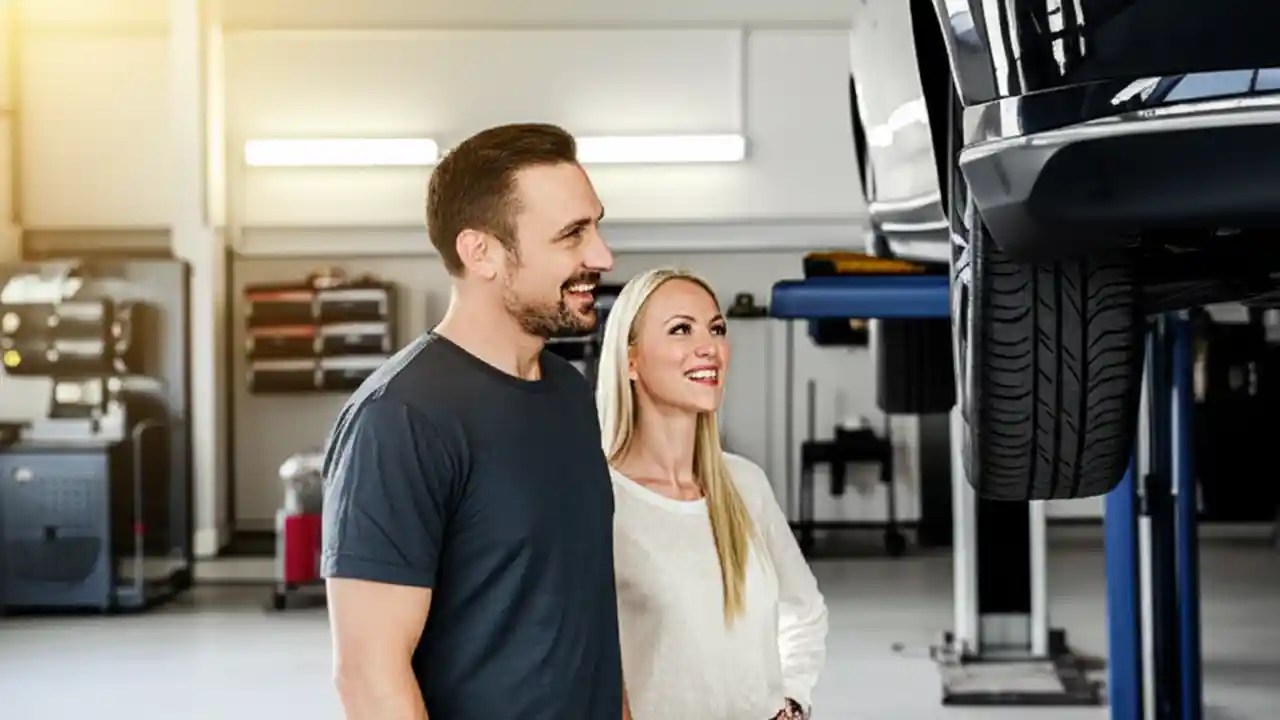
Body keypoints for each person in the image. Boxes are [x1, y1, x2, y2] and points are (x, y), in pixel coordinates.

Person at [320, 123, 623, 720]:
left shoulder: (567, 391)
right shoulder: (400, 419)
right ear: (479, 251)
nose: (602, 256)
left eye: (597, 226)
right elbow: (369, 678)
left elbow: (583, 621)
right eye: (572, 235)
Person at [596, 268, 829, 720]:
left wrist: (793, 701)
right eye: (681, 329)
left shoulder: (744, 483)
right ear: (631, 360)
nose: (710, 347)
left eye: (717, 329)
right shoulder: (601, 499)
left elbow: (804, 610)